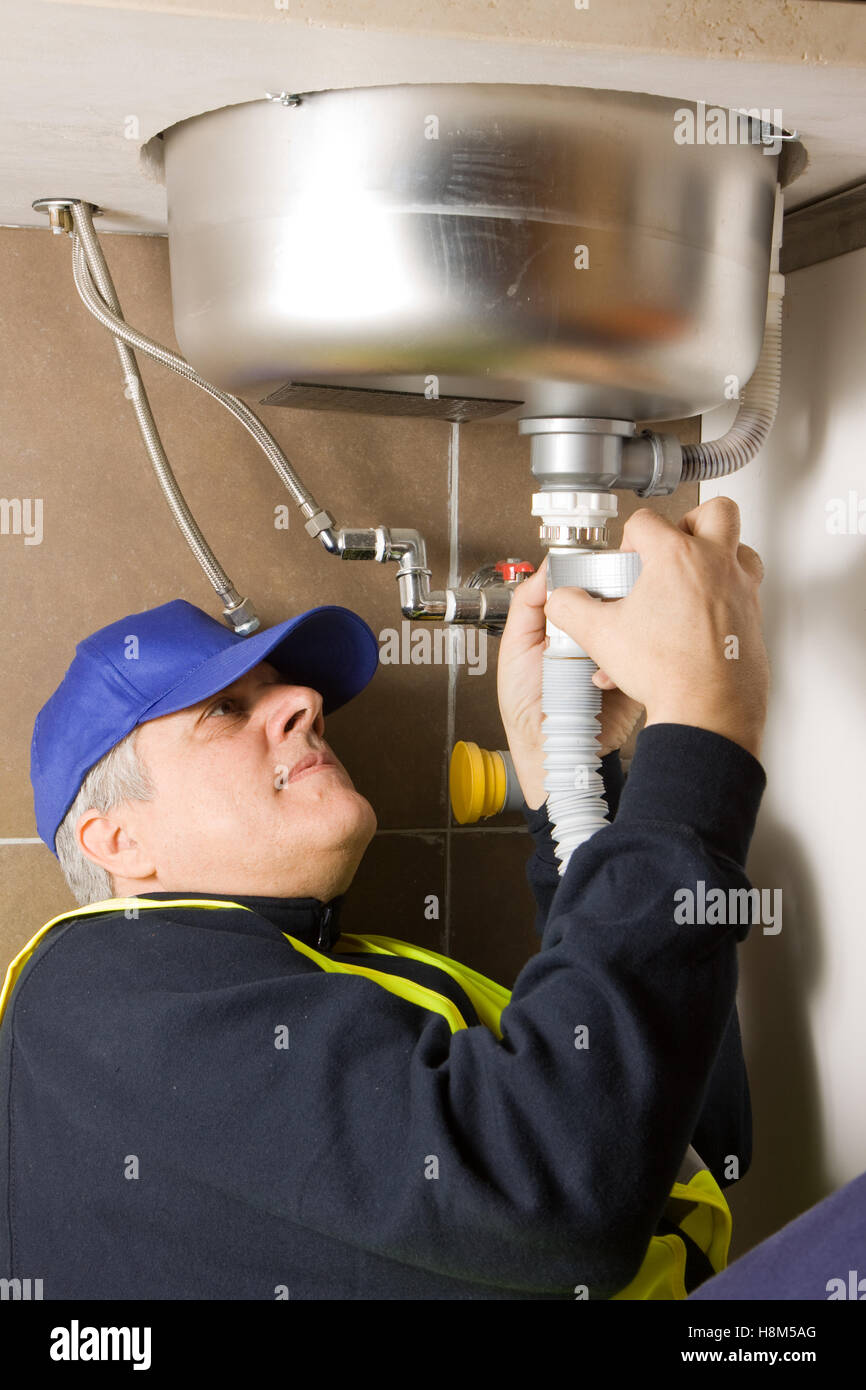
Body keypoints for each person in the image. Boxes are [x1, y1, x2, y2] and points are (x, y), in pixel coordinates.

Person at [0, 496, 768, 1300]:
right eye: (226, 708)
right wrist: (704, 730)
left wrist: (570, 788)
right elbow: (557, 1195)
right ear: (116, 840)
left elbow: (662, 1139)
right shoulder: (94, 998)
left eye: (286, 689)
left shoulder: (330, 973)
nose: (305, 703)